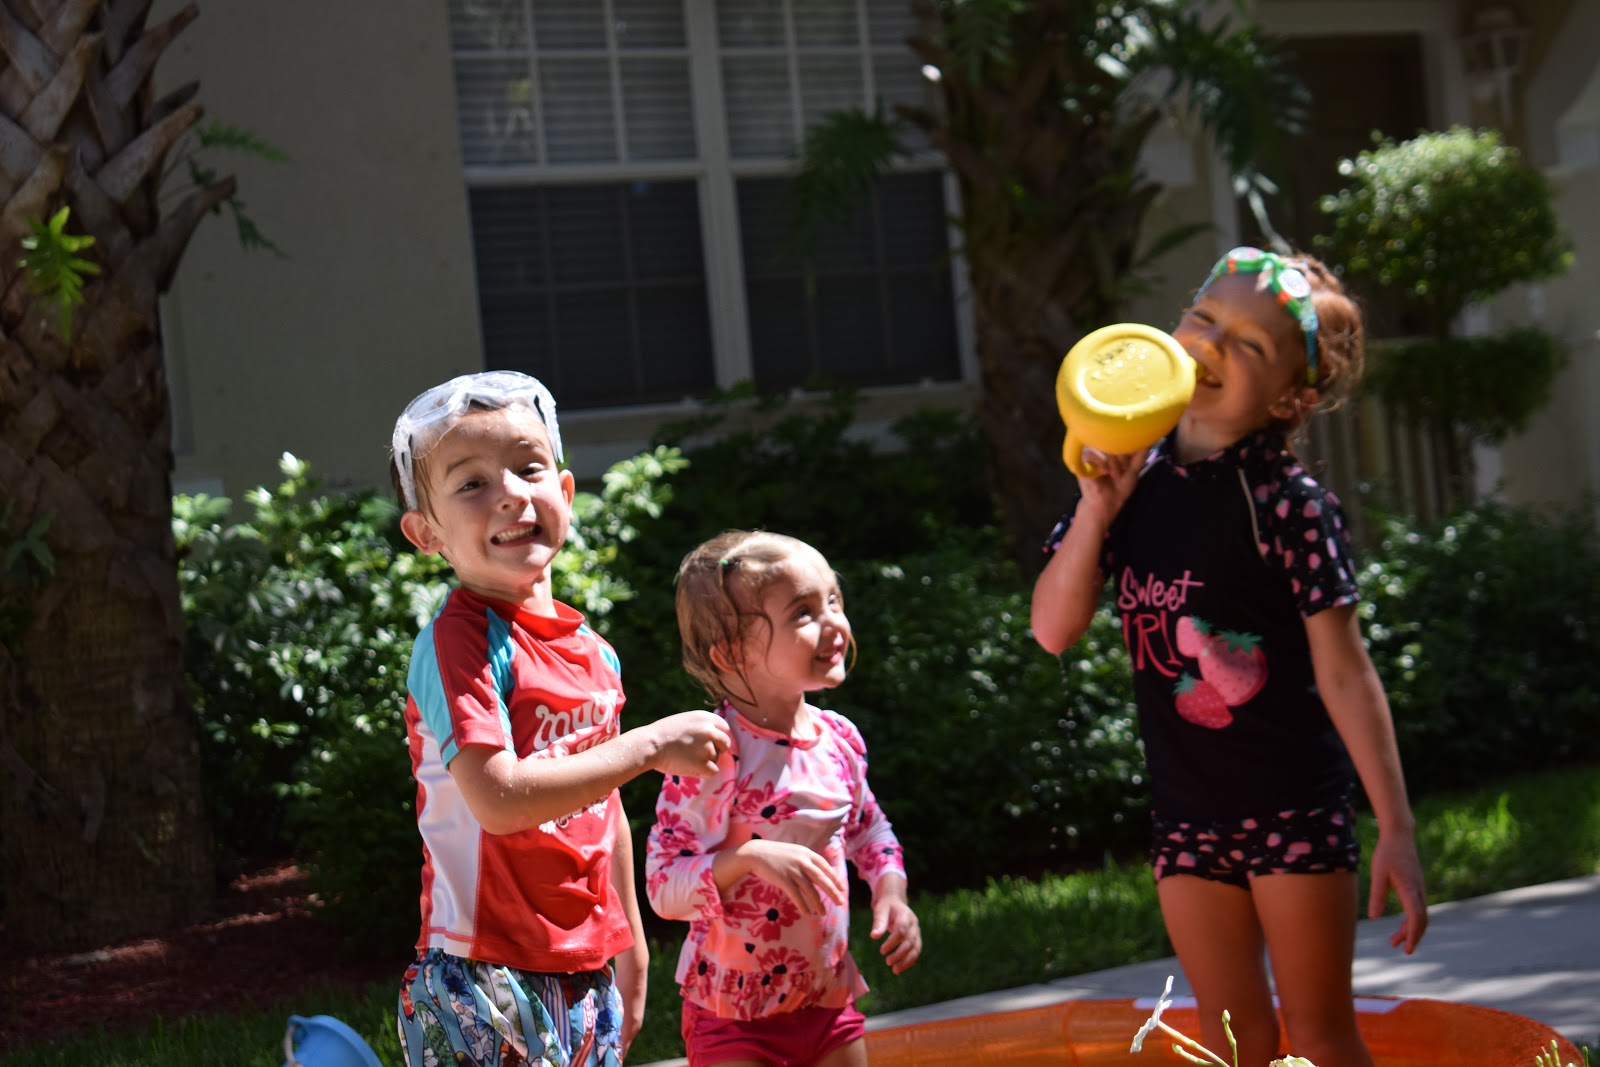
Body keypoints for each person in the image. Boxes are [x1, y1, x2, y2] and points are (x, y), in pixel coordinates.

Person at [1031, 248, 1429, 1067]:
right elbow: (1053, 629)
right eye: (1204, 319)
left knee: (1318, 1036)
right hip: (1188, 819)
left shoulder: (1290, 505)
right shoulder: (1129, 485)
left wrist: (1396, 825)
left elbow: (1346, 671)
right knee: (1232, 1040)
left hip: (1293, 814)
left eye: (1248, 344)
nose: (1212, 345)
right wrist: (1095, 509)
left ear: (1293, 395)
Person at [386, 370, 732, 1067]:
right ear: (427, 532)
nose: (511, 492)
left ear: (565, 493)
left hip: (583, 969)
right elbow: (499, 799)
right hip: (481, 971)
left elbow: (603, 807)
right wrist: (651, 743)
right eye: (471, 483)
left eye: (528, 467)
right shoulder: (460, 639)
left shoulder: (593, 654)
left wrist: (629, 941)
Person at [645, 531, 922, 1067]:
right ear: (730, 652)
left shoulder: (838, 739)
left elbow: (869, 828)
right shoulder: (712, 754)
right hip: (732, 1015)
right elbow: (662, 885)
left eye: (833, 601)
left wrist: (891, 891)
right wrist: (746, 858)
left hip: (826, 999)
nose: (833, 623)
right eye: (803, 612)